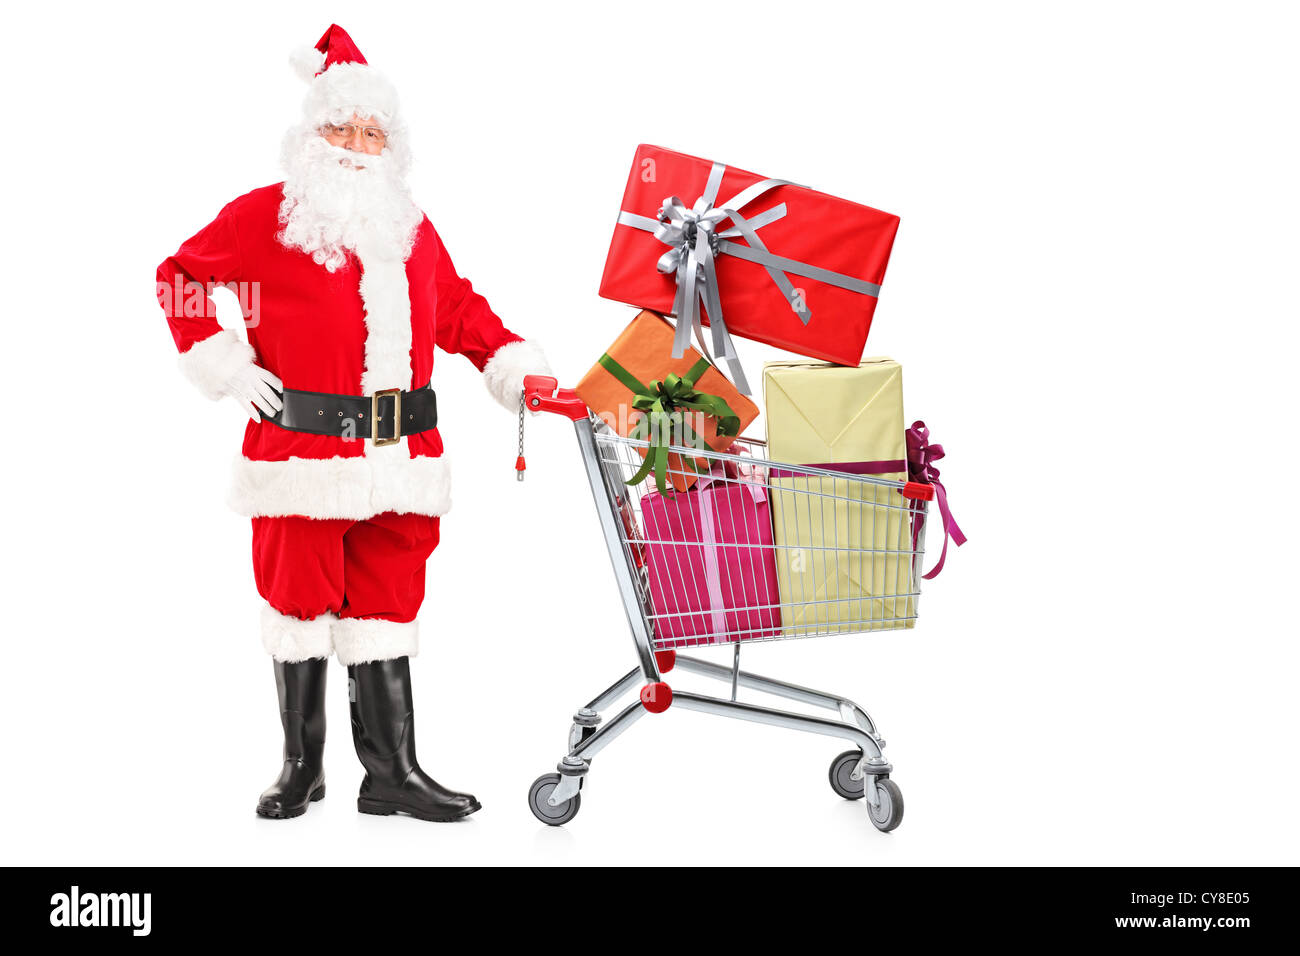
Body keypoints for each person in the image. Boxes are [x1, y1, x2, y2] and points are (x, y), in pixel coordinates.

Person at [155, 24, 551, 822]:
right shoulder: (262, 217)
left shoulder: (410, 227)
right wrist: (228, 365)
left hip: (402, 453)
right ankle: (302, 766)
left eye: (374, 133)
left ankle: (391, 773)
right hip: (300, 453)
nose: (358, 145)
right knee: (298, 606)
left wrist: (514, 365)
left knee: (387, 607)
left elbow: (461, 309)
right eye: (343, 128)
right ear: (311, 135)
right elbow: (178, 278)